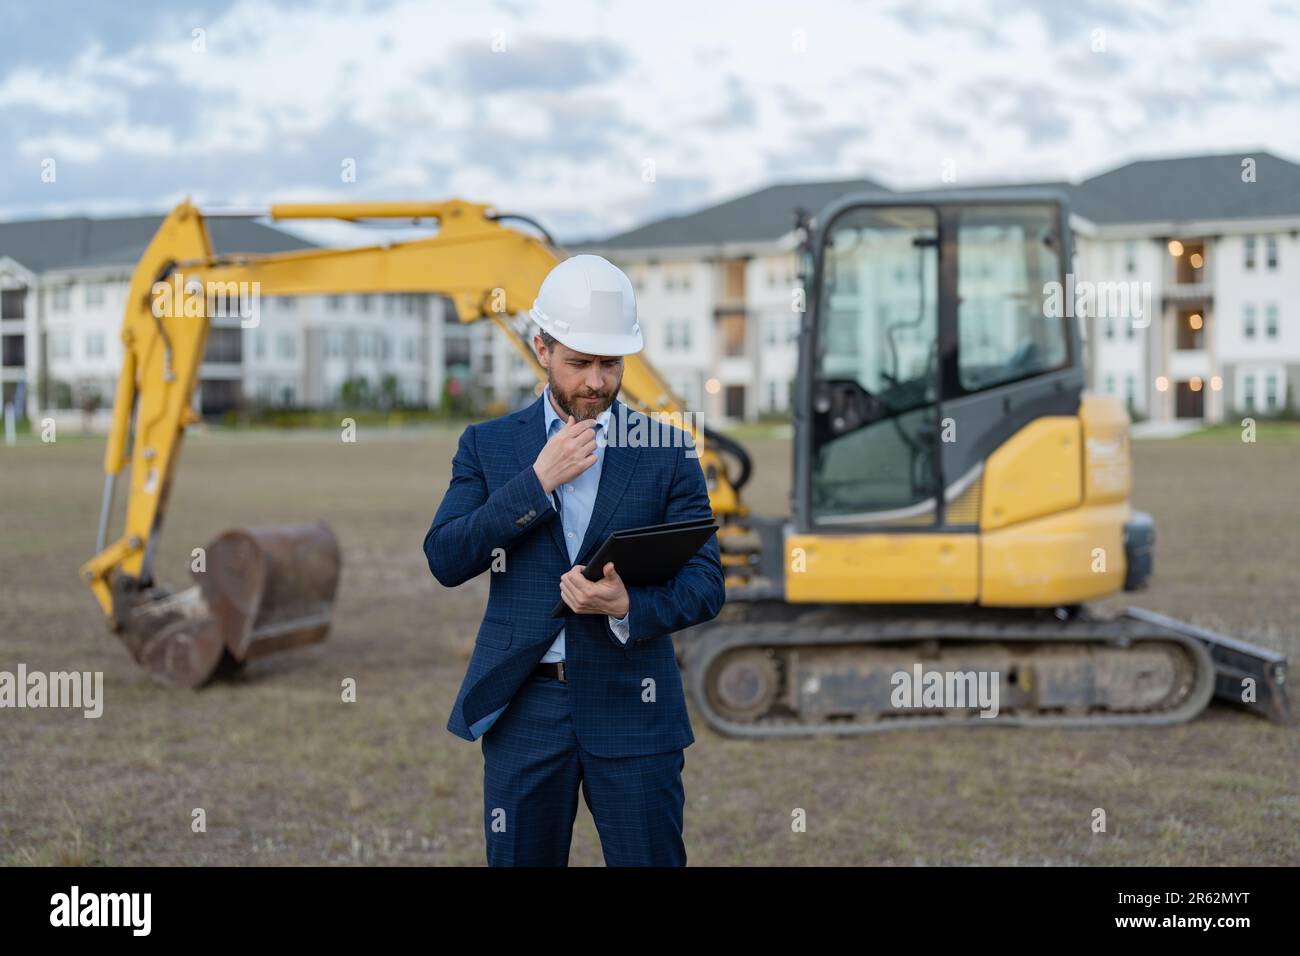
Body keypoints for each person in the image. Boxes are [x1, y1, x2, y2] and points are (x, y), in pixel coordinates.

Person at [423, 254, 725, 866]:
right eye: (578, 362)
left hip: (635, 707)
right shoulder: (488, 446)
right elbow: (446, 557)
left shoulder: (668, 450)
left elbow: (706, 583)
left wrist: (628, 606)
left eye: (609, 364)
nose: (595, 382)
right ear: (541, 348)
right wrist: (534, 483)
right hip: (525, 711)